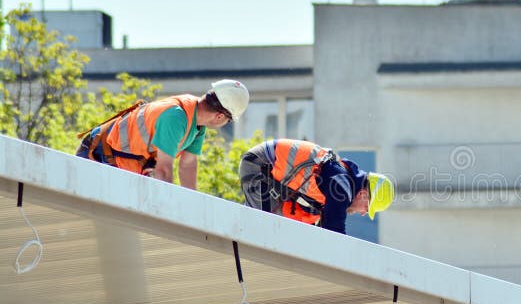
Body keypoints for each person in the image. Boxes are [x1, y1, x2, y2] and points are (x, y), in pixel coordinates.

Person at [77, 79, 249, 189]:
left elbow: (188, 165)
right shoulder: (176, 117)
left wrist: (192, 206)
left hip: (119, 165)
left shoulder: (198, 124)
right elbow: (163, 171)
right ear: (219, 116)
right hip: (98, 153)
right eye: (229, 120)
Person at [239, 138, 394, 234]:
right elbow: (334, 234)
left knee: (274, 230)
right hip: (260, 164)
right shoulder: (342, 187)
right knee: (260, 228)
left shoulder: (339, 178)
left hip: (269, 174)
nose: (363, 213)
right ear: (362, 195)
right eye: (367, 208)